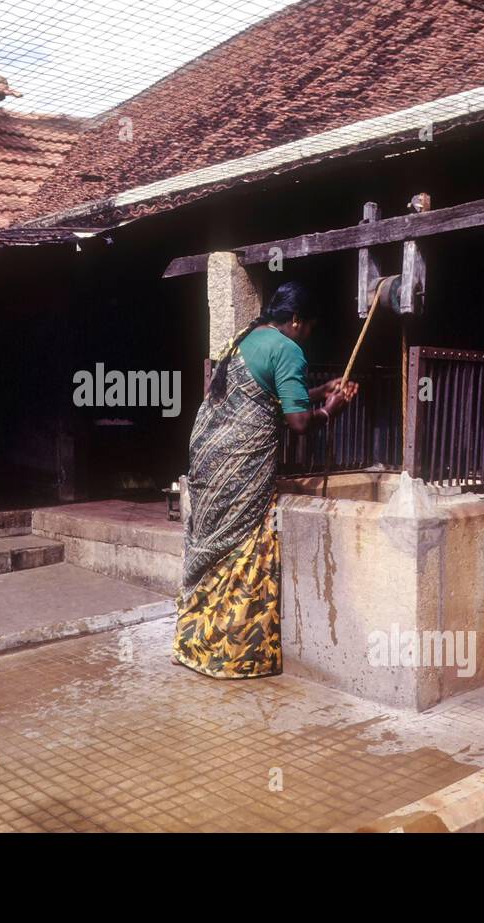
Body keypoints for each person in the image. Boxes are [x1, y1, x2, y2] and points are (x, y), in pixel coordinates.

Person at [174, 281, 357, 679]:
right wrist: (331, 408)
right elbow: (298, 424)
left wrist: (316, 391)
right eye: (309, 327)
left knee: (208, 541)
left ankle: (192, 642)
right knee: (240, 544)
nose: (308, 335)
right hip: (241, 460)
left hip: (206, 454)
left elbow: (266, 394)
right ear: (296, 320)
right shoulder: (289, 349)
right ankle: (228, 653)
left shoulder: (247, 337)